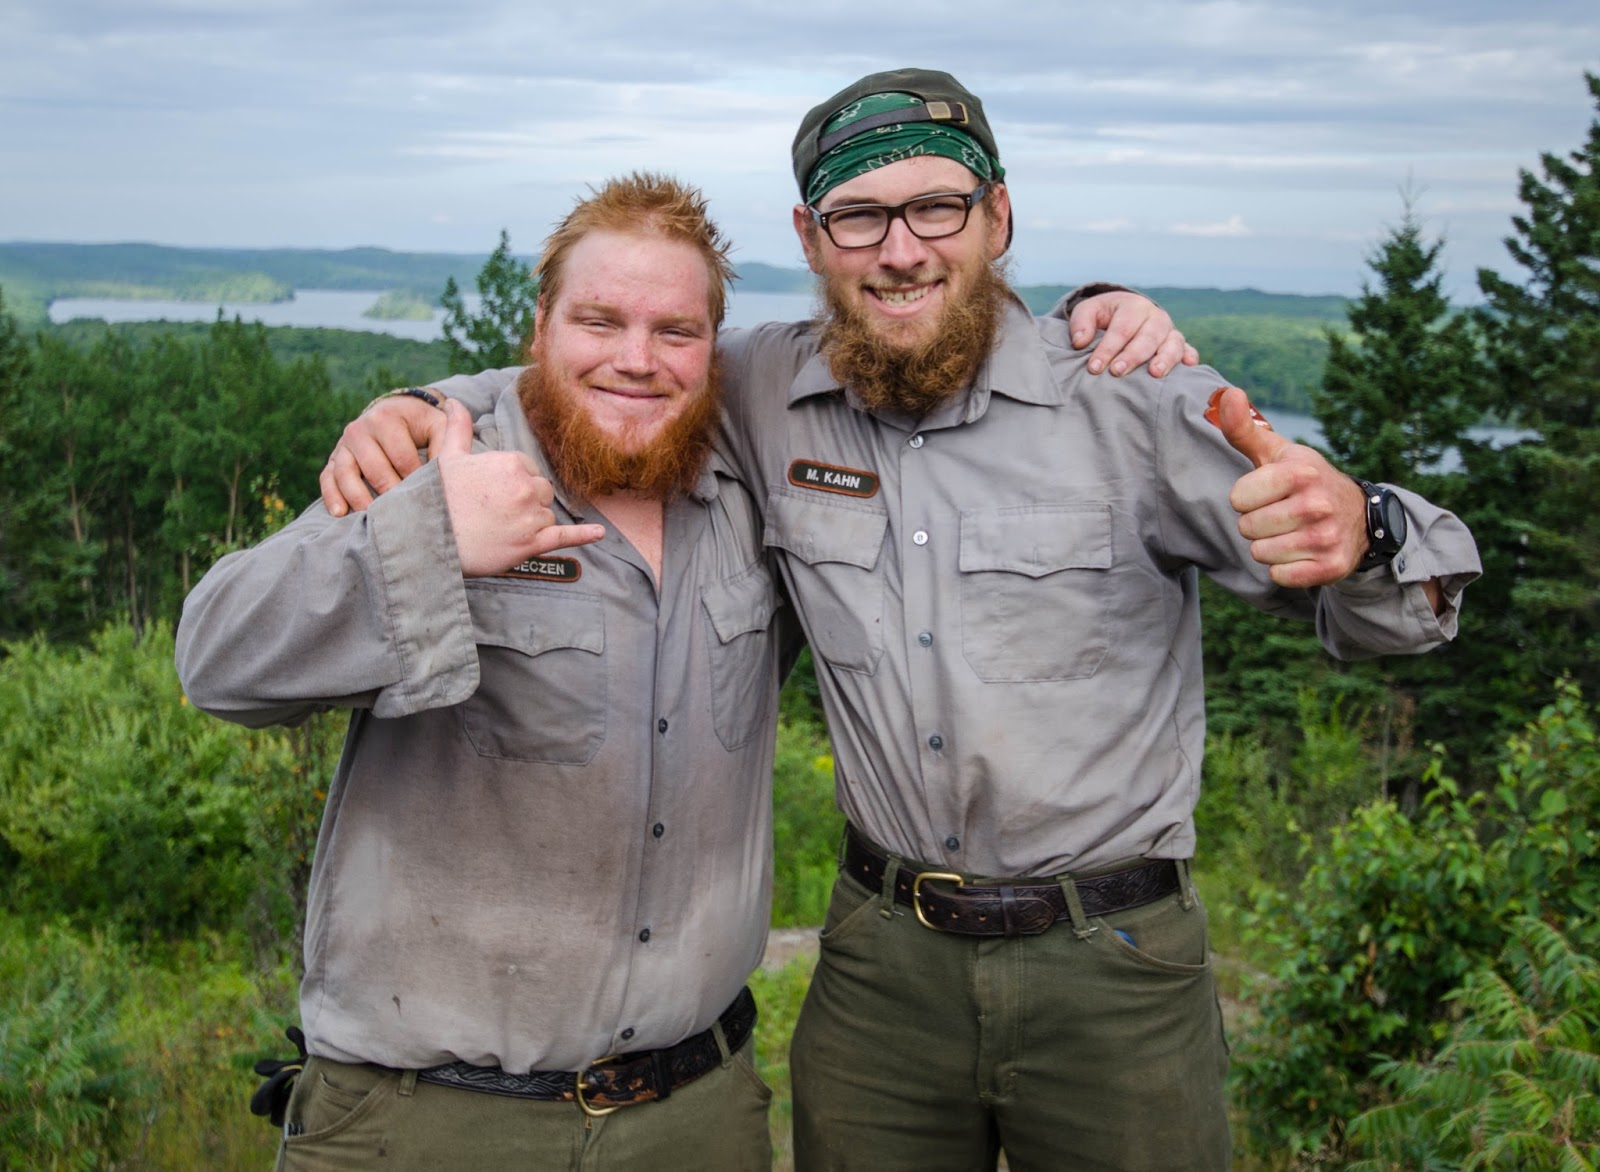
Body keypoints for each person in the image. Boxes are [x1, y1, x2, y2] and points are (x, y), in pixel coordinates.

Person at [319, 68, 1479, 1172]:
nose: (902, 246)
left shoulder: (1127, 399)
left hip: (1112, 964)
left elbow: (1399, 612)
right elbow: (615, 362)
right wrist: (423, 405)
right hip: (882, 966)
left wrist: (1365, 527)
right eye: (858, 217)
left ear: (997, 216)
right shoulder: (764, 393)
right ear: (811, 239)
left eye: (936, 205)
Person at [178, 170, 1184, 1170]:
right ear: (539, 328)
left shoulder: (751, 490)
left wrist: (1091, 310)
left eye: (675, 332)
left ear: (715, 351)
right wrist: (430, 534)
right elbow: (219, 658)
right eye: (599, 321)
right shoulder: (444, 466)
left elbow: (914, 358)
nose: (635, 360)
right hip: (428, 1121)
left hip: (690, 1116)